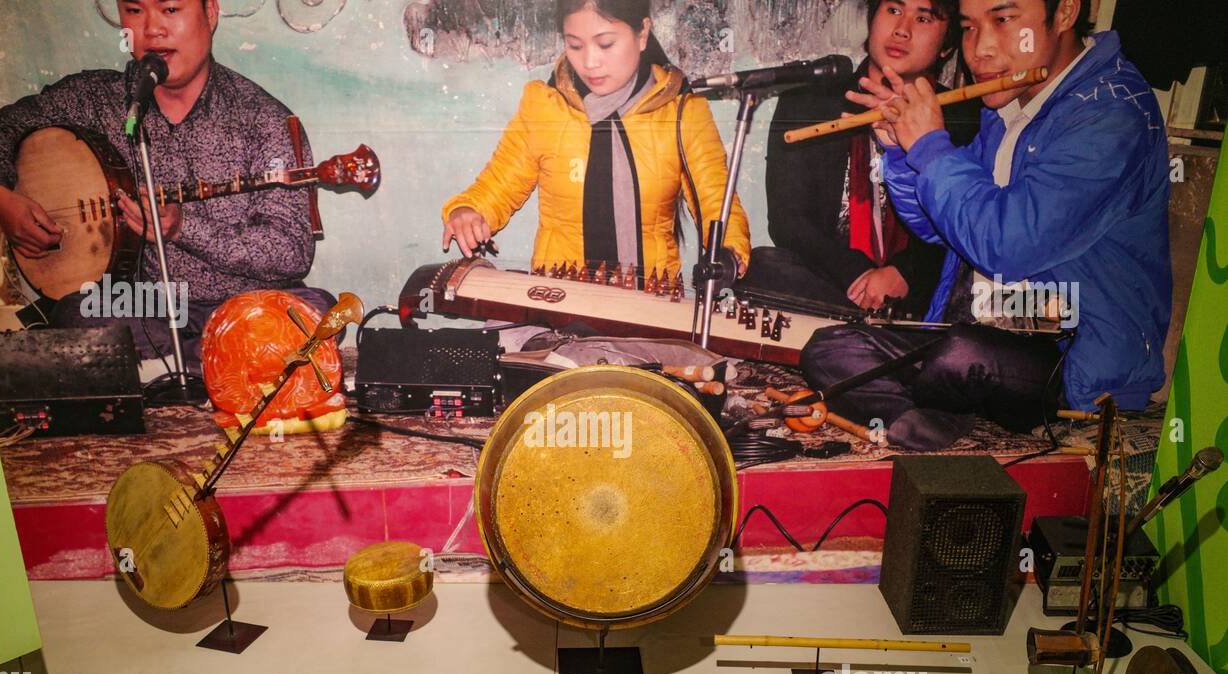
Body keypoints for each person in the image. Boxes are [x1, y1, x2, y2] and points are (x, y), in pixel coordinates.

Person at [799, 0, 1171, 450]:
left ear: (1067, 12)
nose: (979, 51)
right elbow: (941, 227)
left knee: (960, 358)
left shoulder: (1112, 112)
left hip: (1070, 350)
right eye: (970, 27)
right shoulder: (1009, 104)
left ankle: (924, 410)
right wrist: (901, 151)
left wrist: (932, 147)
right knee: (831, 348)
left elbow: (1005, 246)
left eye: (1004, 20)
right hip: (994, 322)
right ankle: (922, 421)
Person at [0, 0, 332, 370]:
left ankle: (166, 369)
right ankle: (217, 364)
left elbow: (292, 251)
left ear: (210, 13)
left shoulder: (264, 120)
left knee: (312, 315)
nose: (152, 29)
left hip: (241, 303)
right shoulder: (94, 99)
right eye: (134, 11)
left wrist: (184, 229)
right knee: (83, 313)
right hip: (146, 305)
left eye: (170, 10)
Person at [442, 0, 750, 289]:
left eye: (605, 44)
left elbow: (717, 203)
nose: (589, 62)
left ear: (642, 34)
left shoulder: (683, 113)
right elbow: (497, 186)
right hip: (559, 297)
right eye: (574, 45)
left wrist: (729, 254)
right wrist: (467, 211)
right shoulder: (543, 106)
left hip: (649, 304)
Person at [752, 0, 980, 314]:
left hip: (919, 299)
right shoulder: (807, 102)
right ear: (873, 18)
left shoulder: (966, 119)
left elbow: (965, 224)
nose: (902, 30)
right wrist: (857, 274)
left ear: (948, 45)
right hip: (829, 286)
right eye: (894, 11)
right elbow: (788, 220)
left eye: (923, 18)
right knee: (763, 267)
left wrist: (904, 272)